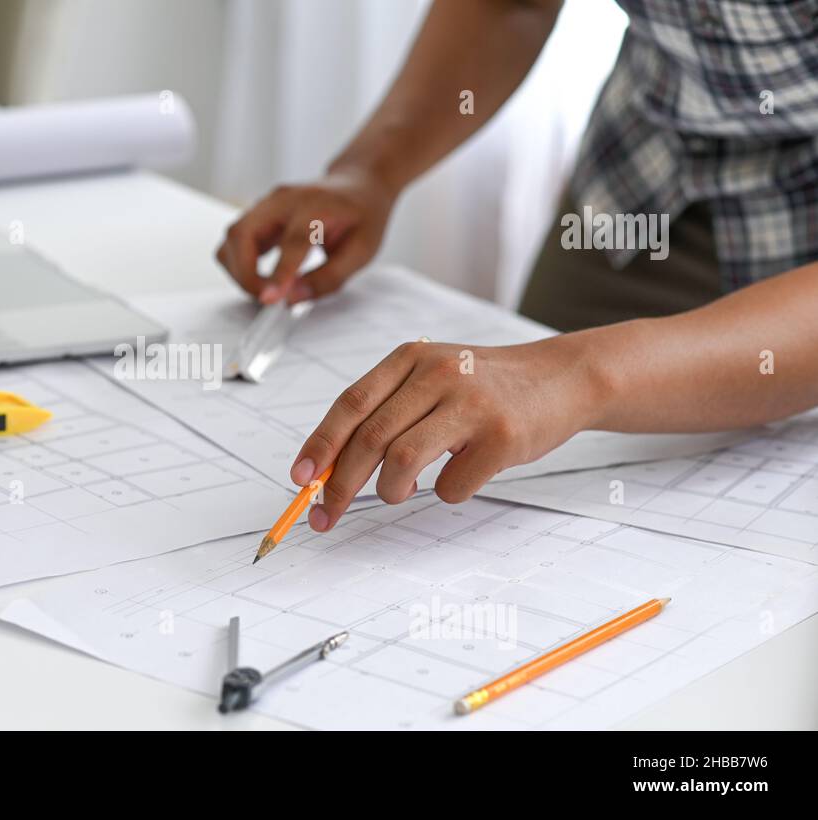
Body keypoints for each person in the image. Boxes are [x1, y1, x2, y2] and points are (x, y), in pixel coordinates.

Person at [214, 0, 818, 533]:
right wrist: (370, 173)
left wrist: (578, 376)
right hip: (640, 181)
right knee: (526, 473)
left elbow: (568, 376)